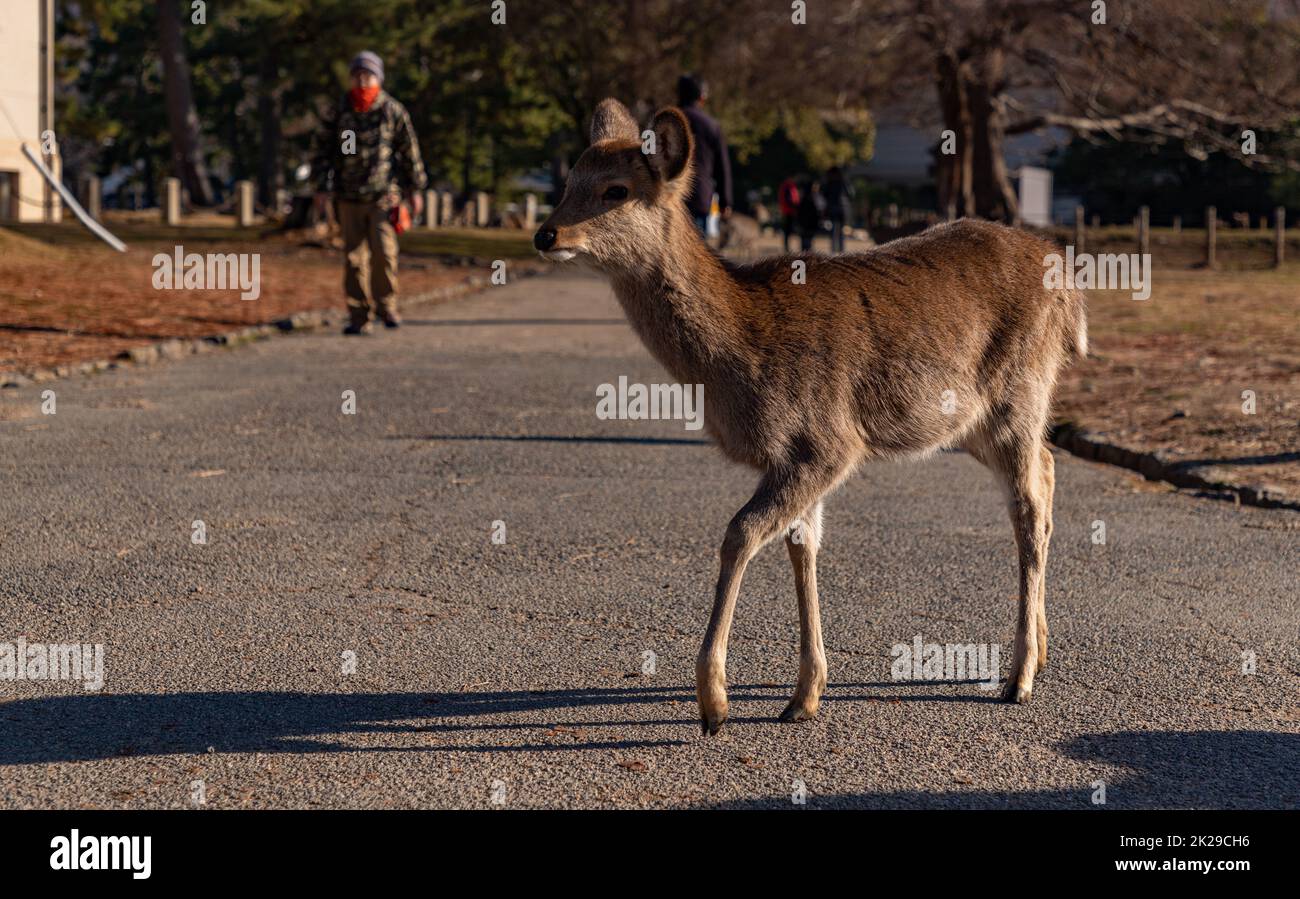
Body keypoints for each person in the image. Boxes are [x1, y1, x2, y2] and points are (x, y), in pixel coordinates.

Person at [312, 51, 427, 335]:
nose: (363, 80)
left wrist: (415, 189)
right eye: (358, 75)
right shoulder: (338, 111)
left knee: (384, 254)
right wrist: (321, 188)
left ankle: (387, 307)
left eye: (369, 75)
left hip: (383, 197)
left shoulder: (392, 110)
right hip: (348, 197)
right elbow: (321, 152)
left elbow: (409, 151)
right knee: (353, 259)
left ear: (379, 78)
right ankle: (358, 315)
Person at [676, 75, 732, 237]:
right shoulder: (711, 126)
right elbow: (722, 168)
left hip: (669, 199)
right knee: (696, 249)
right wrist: (725, 202)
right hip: (699, 197)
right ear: (702, 96)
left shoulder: (663, 121)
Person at [823, 166, 854, 253]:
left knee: (833, 230)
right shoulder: (843, 183)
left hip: (833, 209)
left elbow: (824, 194)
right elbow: (850, 194)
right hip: (842, 209)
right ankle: (841, 251)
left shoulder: (829, 183)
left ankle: (833, 250)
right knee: (840, 231)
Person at [796, 178, 824, 252]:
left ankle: (806, 252)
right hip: (808, 222)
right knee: (806, 238)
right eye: (815, 186)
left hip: (809, 222)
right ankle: (806, 253)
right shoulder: (811, 197)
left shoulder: (806, 196)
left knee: (807, 239)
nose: (817, 188)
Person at [777, 175, 801, 252]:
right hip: (789, 211)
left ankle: (788, 247)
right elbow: (789, 200)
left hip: (788, 211)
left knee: (788, 231)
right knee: (789, 230)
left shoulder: (789, 186)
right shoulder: (787, 186)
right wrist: (796, 207)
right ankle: (787, 247)